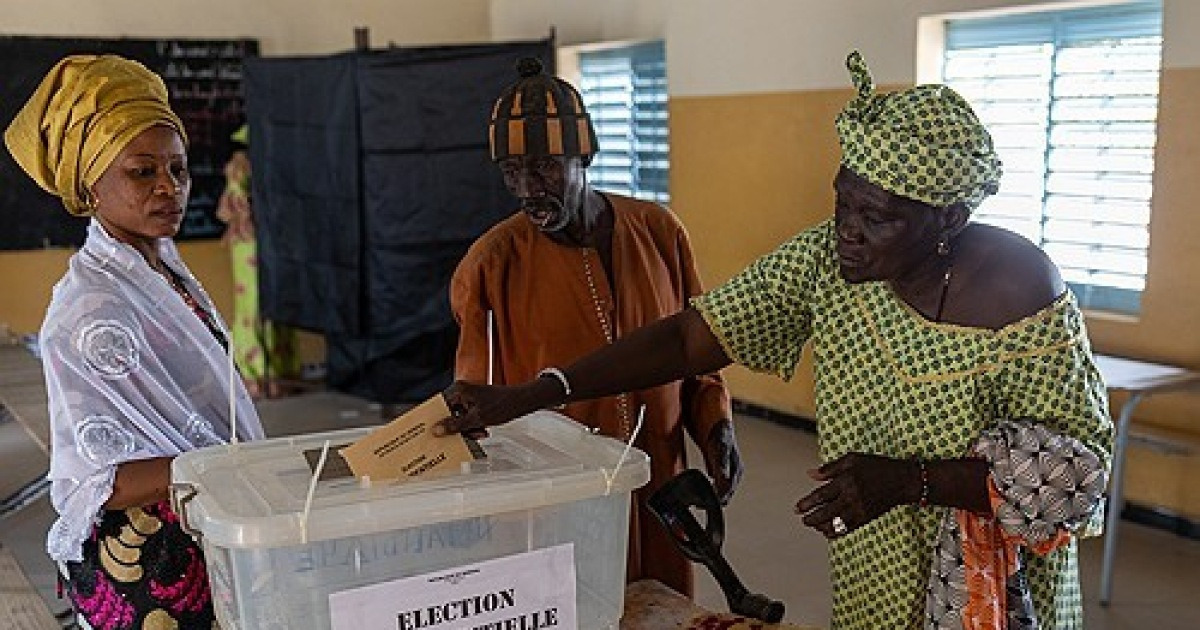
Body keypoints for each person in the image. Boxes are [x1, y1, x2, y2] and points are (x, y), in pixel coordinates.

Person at [440, 51, 1113, 629]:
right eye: (841, 202)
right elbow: (686, 340)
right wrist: (539, 390)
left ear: (949, 218)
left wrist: (914, 482)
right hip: (873, 559)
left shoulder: (1020, 290)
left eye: (873, 218)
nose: (845, 228)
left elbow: (1080, 479)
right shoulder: (827, 262)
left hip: (990, 576)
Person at [448, 56, 743, 598]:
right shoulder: (491, 263)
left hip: (663, 482)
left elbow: (701, 351)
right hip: (564, 496)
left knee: (665, 607)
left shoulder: (659, 232)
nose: (529, 190)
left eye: (544, 168)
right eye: (512, 173)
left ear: (584, 155)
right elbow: (473, 399)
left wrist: (716, 427)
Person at [4, 55, 265, 629]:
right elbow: (106, 478)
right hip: (147, 563)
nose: (169, 188)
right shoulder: (90, 312)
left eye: (178, 169)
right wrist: (234, 468)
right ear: (90, 186)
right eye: (142, 173)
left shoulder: (161, 274)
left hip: (200, 522)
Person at [215, 125, 299, 399]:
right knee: (254, 306)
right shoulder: (243, 165)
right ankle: (261, 374)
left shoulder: (274, 166)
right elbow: (237, 207)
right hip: (252, 242)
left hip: (271, 242)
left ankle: (272, 374)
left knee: (272, 306)